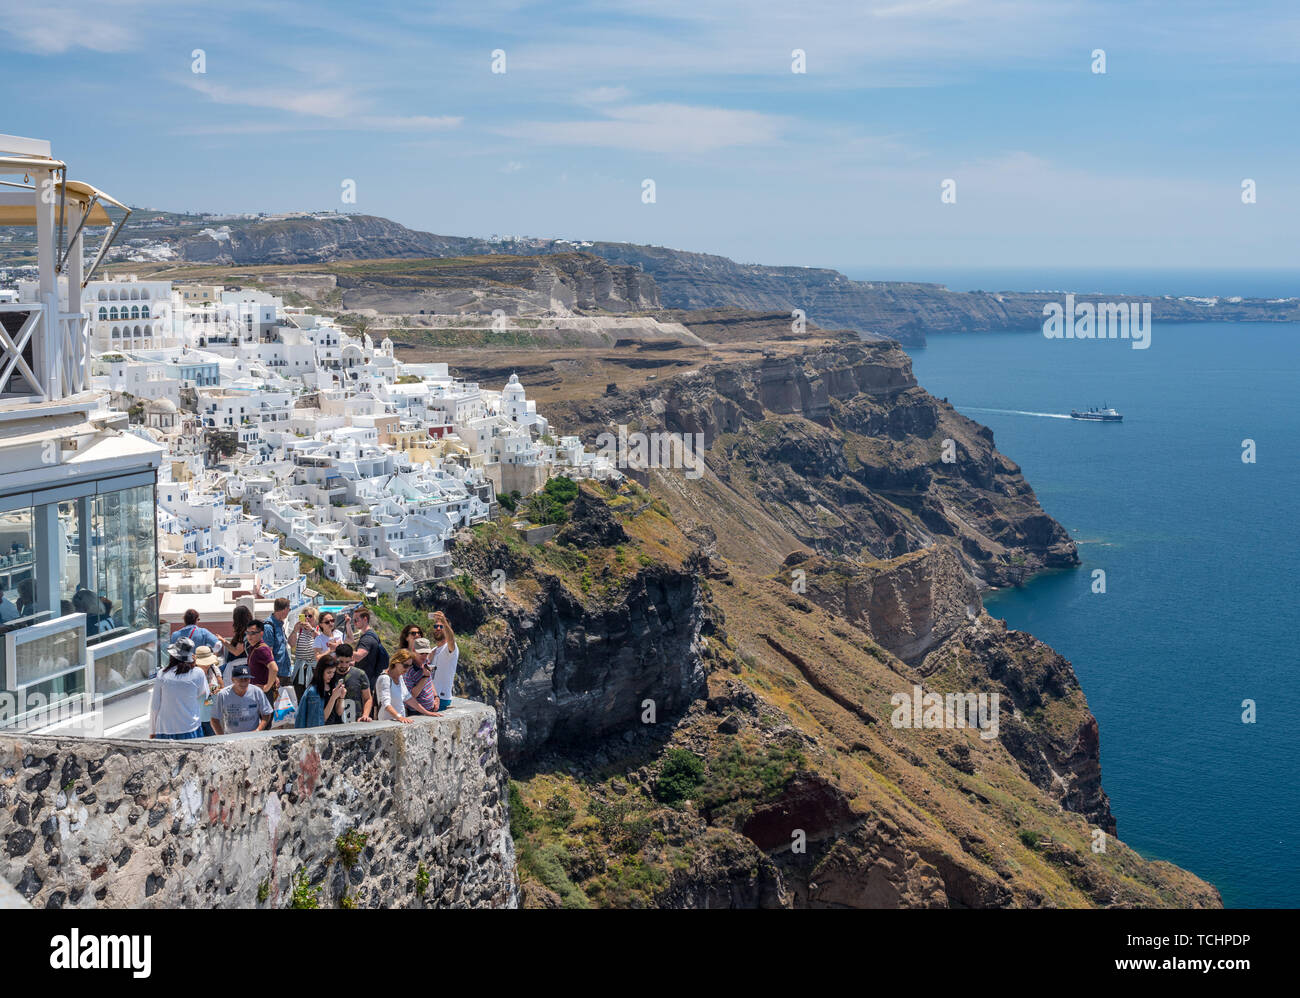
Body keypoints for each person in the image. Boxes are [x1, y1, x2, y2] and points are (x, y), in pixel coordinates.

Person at [149, 636, 207, 740]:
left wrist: (152, 731)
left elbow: (155, 706)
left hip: (165, 729)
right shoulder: (198, 673)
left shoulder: (162, 674)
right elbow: (202, 693)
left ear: (172, 655)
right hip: (191, 727)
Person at [211, 663, 274, 735]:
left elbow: (267, 713)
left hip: (253, 736)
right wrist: (222, 738)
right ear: (232, 680)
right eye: (240, 679)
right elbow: (214, 719)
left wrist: (258, 730)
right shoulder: (223, 695)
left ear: (250, 680)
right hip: (231, 737)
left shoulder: (257, 692)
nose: (243, 682)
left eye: (246, 679)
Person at [296, 655, 348, 728]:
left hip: (335, 729)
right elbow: (320, 720)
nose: (331, 675)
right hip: (322, 733)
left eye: (333, 672)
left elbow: (339, 713)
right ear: (321, 671)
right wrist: (333, 698)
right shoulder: (313, 692)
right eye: (329, 672)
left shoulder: (333, 686)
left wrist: (341, 697)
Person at [328, 643, 373, 724]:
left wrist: (365, 715)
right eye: (341, 661)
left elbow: (368, 698)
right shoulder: (329, 675)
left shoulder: (360, 674)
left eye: (347, 662)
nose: (343, 665)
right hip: (333, 723)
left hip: (355, 722)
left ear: (352, 658)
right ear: (335, 657)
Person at [350, 606, 388, 692]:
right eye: (353, 620)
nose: (354, 623)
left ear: (365, 619)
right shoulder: (373, 635)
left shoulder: (367, 639)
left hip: (366, 682)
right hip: (372, 678)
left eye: (356, 620)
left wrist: (340, 648)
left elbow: (358, 656)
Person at [401, 639, 441, 717]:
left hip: (431, 709)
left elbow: (429, 681)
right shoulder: (408, 669)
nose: (424, 656)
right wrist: (424, 677)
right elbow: (411, 695)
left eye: (426, 653)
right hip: (416, 713)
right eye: (421, 653)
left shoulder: (425, 661)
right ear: (413, 650)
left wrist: (436, 697)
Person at [429, 610, 459, 712]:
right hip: (431, 697)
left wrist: (444, 621)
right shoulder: (433, 650)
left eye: (441, 627)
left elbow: (451, 639)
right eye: (436, 626)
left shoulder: (450, 648)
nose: (438, 628)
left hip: (442, 699)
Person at [374, 650, 413, 724]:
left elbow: (408, 698)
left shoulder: (400, 676)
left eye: (410, 666)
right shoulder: (385, 678)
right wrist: (399, 717)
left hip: (399, 721)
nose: (407, 669)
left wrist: (427, 713)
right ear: (396, 662)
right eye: (405, 666)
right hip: (386, 723)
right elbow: (386, 704)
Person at [288, 606, 319, 695]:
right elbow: (291, 644)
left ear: (315, 618)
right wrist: (295, 631)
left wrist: (311, 629)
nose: (307, 618)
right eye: (304, 616)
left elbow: (322, 642)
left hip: (313, 668)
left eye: (310, 616)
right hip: (300, 668)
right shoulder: (299, 631)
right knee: (299, 695)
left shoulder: (317, 629)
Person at [194, 644, 224, 737]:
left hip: (212, 713)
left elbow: (222, 686)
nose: (207, 665)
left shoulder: (214, 669)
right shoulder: (192, 672)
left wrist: (217, 690)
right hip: (197, 715)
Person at [264, 597, 292, 694]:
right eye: (289, 609)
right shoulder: (269, 626)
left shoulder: (279, 625)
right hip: (277, 674)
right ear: (285, 609)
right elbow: (268, 652)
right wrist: (273, 675)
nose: (289, 612)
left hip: (284, 671)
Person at [245, 618, 278, 698]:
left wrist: (266, 687)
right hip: (256, 693)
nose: (249, 636)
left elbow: (274, 668)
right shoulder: (254, 647)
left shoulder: (261, 649)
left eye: (253, 633)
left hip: (262, 695)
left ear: (261, 633)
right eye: (247, 632)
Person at [222, 603, 253, 682]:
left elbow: (237, 652)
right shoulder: (250, 631)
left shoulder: (245, 634)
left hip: (237, 667)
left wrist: (223, 641)